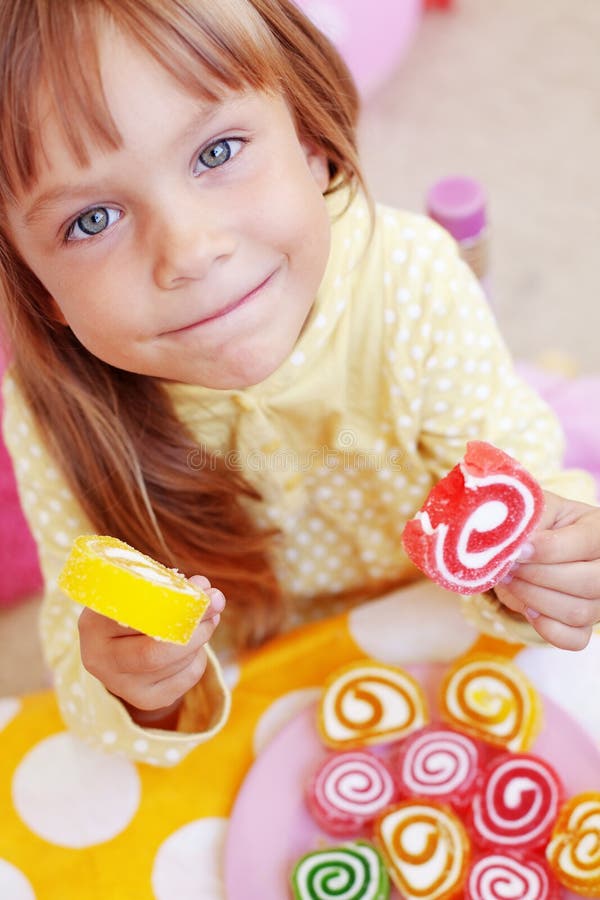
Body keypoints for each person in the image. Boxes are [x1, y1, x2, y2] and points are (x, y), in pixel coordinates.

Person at [0, 0, 598, 767]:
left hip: (433, 610)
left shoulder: (412, 284)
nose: (188, 251)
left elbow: (527, 487)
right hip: (258, 664)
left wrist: (548, 569)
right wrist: (139, 686)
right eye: (92, 221)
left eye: (216, 152)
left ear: (311, 142)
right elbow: (81, 619)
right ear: (38, 287)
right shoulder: (52, 411)